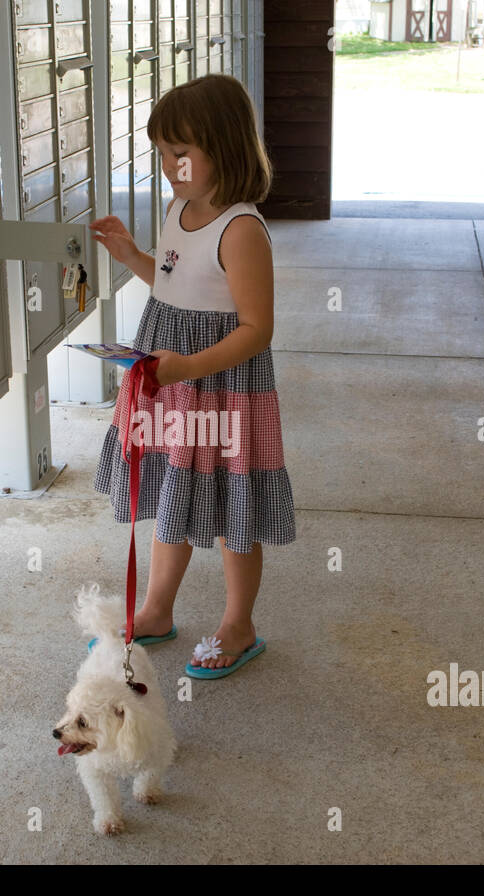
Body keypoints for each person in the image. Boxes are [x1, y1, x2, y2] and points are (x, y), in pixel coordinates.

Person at [89, 73, 295, 679]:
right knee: (171, 486)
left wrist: (186, 366)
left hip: (224, 385)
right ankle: (156, 608)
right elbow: (179, 285)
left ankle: (239, 623)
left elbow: (256, 328)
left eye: (181, 154)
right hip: (172, 376)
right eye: (162, 154)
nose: (169, 166)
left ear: (224, 148)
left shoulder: (242, 229)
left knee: (236, 503)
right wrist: (133, 258)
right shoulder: (181, 209)